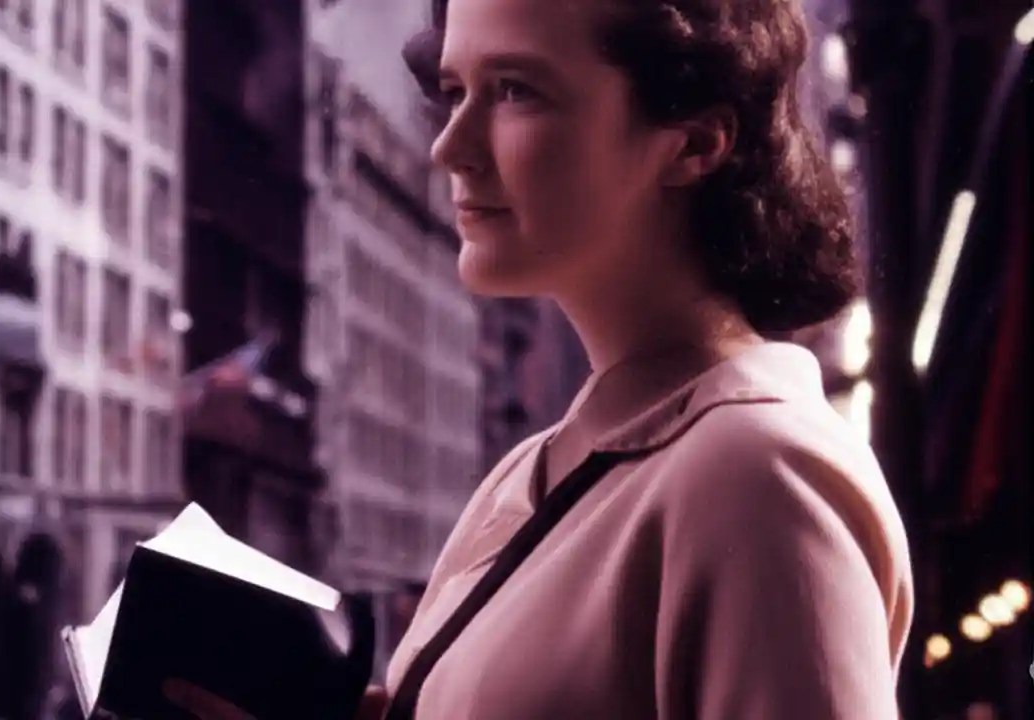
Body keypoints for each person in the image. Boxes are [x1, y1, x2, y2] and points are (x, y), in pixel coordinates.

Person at [168, 0, 914, 717]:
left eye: (516, 91)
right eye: (455, 90)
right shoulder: (531, 473)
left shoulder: (760, 477)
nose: (448, 146)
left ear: (693, 142)